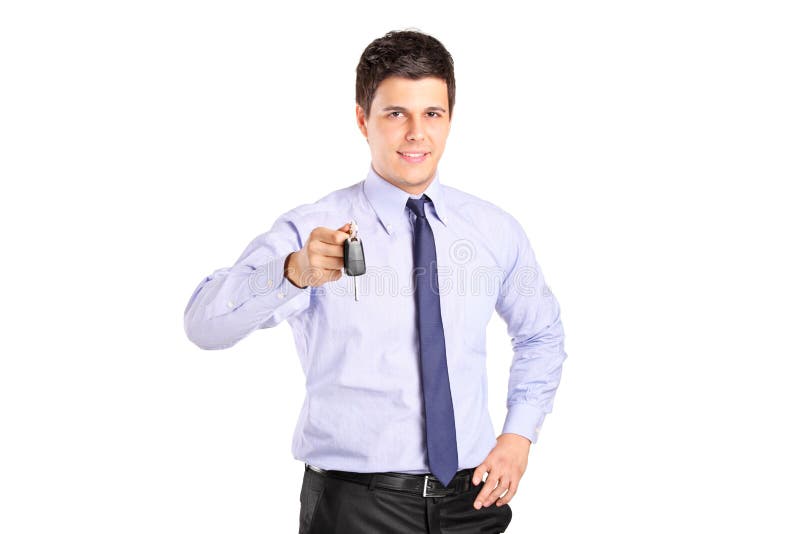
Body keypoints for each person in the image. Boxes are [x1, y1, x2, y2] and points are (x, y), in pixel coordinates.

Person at [183, 29, 567, 534]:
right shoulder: (312, 228)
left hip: (471, 505)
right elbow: (203, 324)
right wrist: (291, 274)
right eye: (395, 114)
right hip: (356, 510)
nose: (416, 133)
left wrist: (518, 437)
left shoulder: (493, 230)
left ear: (450, 119)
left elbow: (541, 335)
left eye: (432, 113)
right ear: (363, 120)